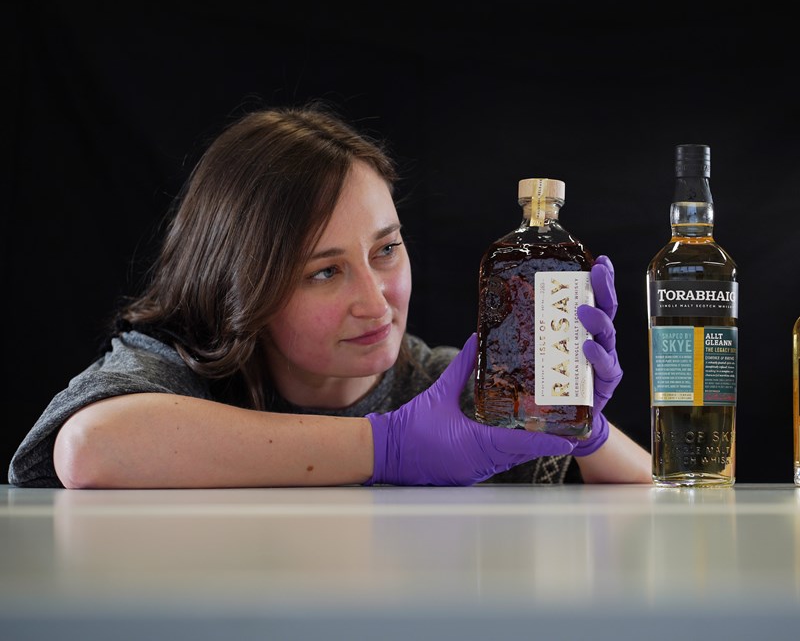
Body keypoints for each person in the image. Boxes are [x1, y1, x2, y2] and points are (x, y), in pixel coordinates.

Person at [7, 101, 652, 489]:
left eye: (386, 250)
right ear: (243, 285)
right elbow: (89, 448)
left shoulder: (443, 391)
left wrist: (582, 432)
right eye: (324, 271)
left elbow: (674, 525)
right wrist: (390, 447)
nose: (376, 302)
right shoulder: (180, 373)